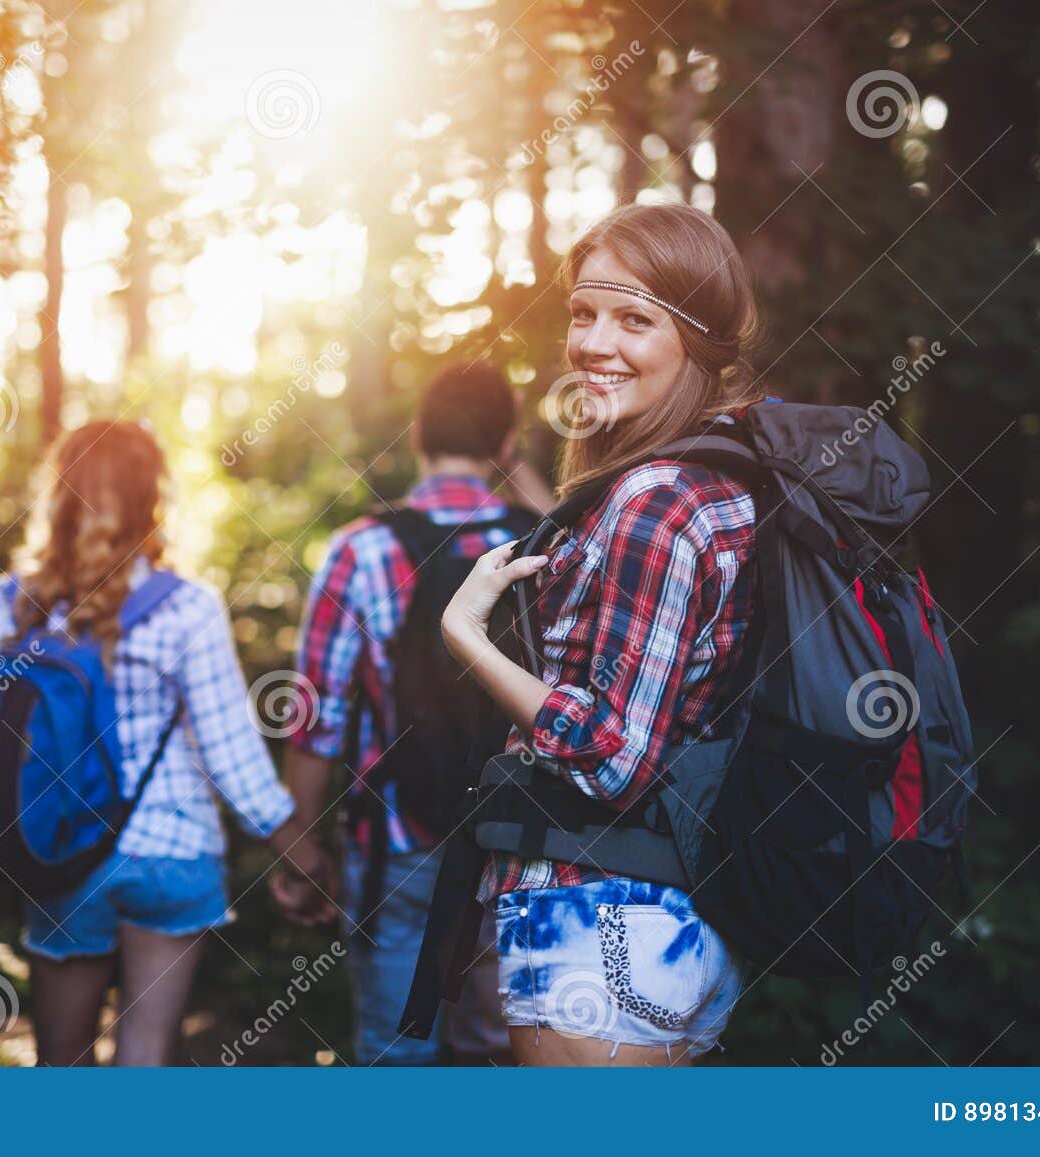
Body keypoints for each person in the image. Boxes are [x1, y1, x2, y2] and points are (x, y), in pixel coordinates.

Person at [439, 202, 769, 1066]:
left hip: (598, 920)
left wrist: (467, 636)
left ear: (695, 341)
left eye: (634, 318)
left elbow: (612, 753)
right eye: (583, 313)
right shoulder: (722, 477)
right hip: (668, 917)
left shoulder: (656, 500)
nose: (592, 342)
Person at [0, 420, 329, 1066]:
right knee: (145, 1068)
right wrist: (304, 860)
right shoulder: (187, 607)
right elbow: (233, 759)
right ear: (153, 500)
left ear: (57, 496)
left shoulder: (7, 606)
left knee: (63, 1067)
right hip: (172, 852)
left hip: (61, 854)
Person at [275, 361, 551, 1065]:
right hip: (522, 839)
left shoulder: (361, 550)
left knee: (397, 1053)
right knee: (505, 1052)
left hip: (398, 839)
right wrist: (519, 471)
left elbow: (317, 720)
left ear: (420, 434)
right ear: (507, 442)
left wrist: (300, 849)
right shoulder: (545, 548)